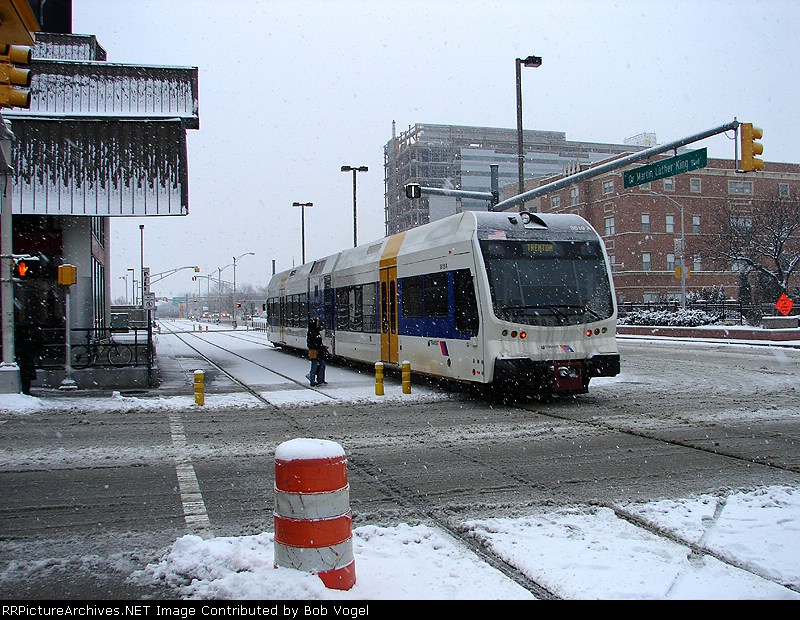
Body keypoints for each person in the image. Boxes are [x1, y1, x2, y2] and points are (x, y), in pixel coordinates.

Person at [15, 321, 42, 396]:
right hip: (26, 358)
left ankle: (24, 389)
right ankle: (25, 390)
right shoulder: (29, 337)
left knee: (23, 375)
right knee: (26, 376)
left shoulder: (17, 337)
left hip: (21, 358)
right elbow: (38, 345)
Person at [305, 317, 327, 386]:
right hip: (315, 352)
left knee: (320, 365)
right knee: (316, 366)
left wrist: (322, 347)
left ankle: (319, 380)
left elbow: (314, 343)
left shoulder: (314, 332)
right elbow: (313, 343)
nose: (321, 328)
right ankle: (313, 380)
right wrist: (320, 347)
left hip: (317, 351)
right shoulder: (313, 333)